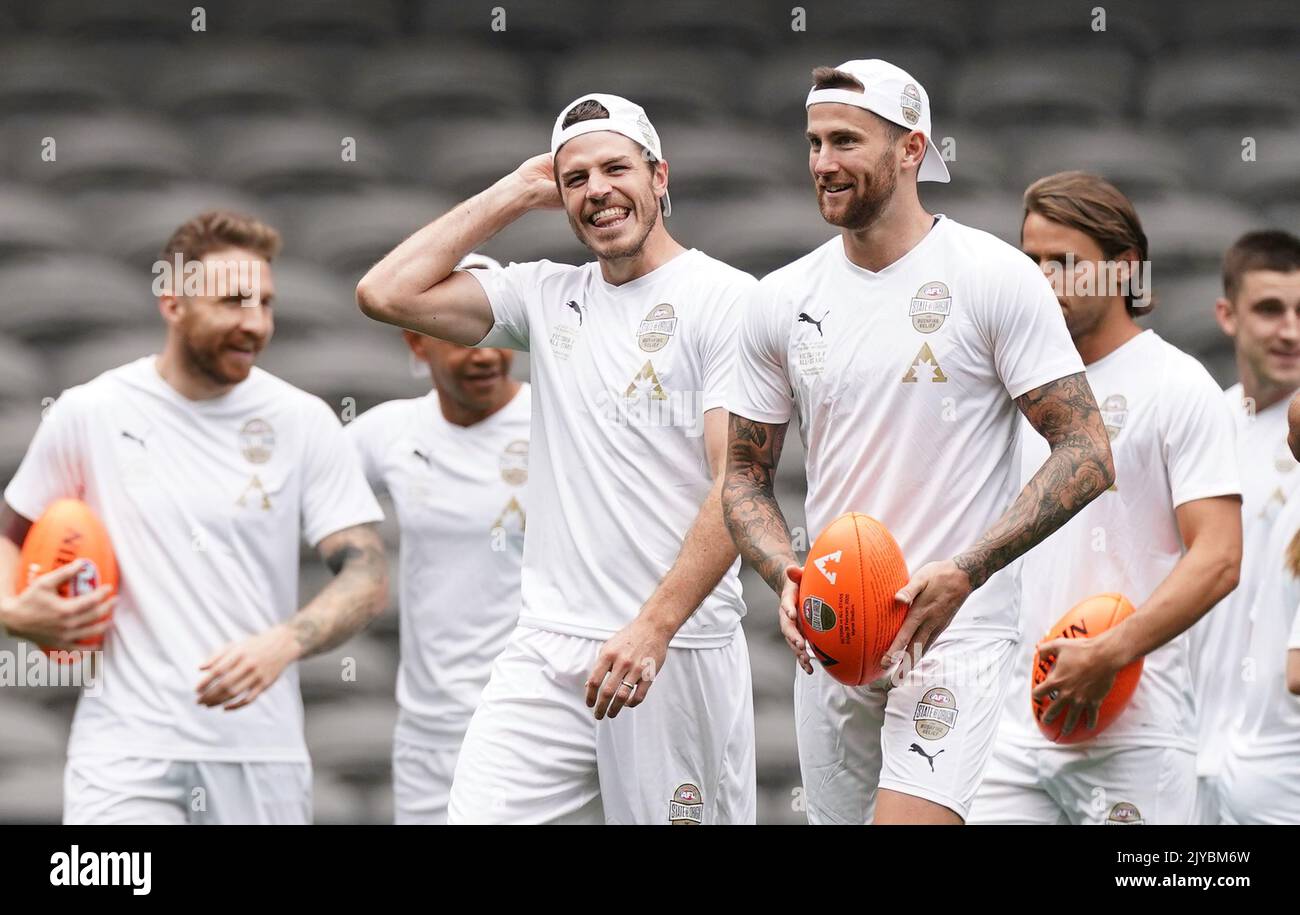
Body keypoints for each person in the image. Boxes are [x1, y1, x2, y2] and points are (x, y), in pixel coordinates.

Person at [723, 60, 1114, 825]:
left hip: (956, 631)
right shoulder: (780, 299)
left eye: (845, 140)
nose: (823, 163)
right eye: (812, 142)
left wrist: (966, 571)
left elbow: (1089, 450)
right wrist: (784, 574)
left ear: (911, 150)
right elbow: (741, 476)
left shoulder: (993, 277)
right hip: (836, 633)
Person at [357, 94, 756, 824]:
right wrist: (514, 191)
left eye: (616, 168)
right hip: (549, 646)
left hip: (674, 646)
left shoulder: (727, 298)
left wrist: (652, 628)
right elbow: (384, 292)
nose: (597, 189)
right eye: (575, 179)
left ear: (660, 176)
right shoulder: (544, 294)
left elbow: (739, 483)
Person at [0, 210, 389, 824]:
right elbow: (9, 535)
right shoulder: (91, 411)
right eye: (234, 301)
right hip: (124, 751)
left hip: (260, 754)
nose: (255, 323)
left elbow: (366, 575)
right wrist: (13, 612)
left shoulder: (303, 419)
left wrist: (284, 643)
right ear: (172, 300)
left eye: (265, 303)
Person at [967, 171, 1241, 825]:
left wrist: (1110, 654)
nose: (1041, 280)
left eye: (1063, 263)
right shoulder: (1010, 394)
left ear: (1122, 270)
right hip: (1012, 737)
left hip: (1136, 738)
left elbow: (1221, 558)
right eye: (1030, 262)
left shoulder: (1179, 386)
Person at [346, 253, 531, 825]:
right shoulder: (385, 433)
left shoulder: (561, 422)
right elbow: (290, 499)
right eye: (459, 334)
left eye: (494, 333)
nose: (484, 354)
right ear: (416, 341)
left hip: (535, 718)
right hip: (429, 733)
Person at [1190, 229, 1300, 823]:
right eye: (1269, 309)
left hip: (1282, 766)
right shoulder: (1200, 428)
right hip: (1187, 751)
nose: (1290, 330)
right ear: (1227, 315)